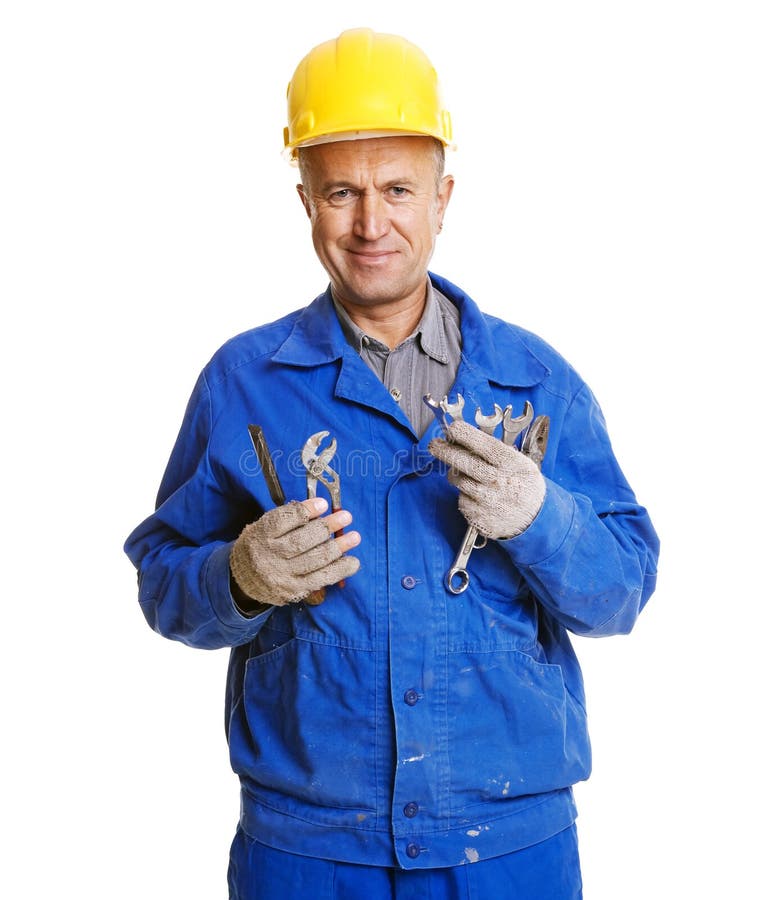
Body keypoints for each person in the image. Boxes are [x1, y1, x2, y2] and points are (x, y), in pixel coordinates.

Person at [125, 27, 659, 899]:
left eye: (399, 189)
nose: (372, 223)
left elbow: (624, 588)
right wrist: (239, 576)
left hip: (508, 849)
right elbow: (162, 583)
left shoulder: (535, 382)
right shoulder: (244, 384)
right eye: (342, 191)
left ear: (444, 198)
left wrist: (542, 519)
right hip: (308, 851)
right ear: (306, 202)